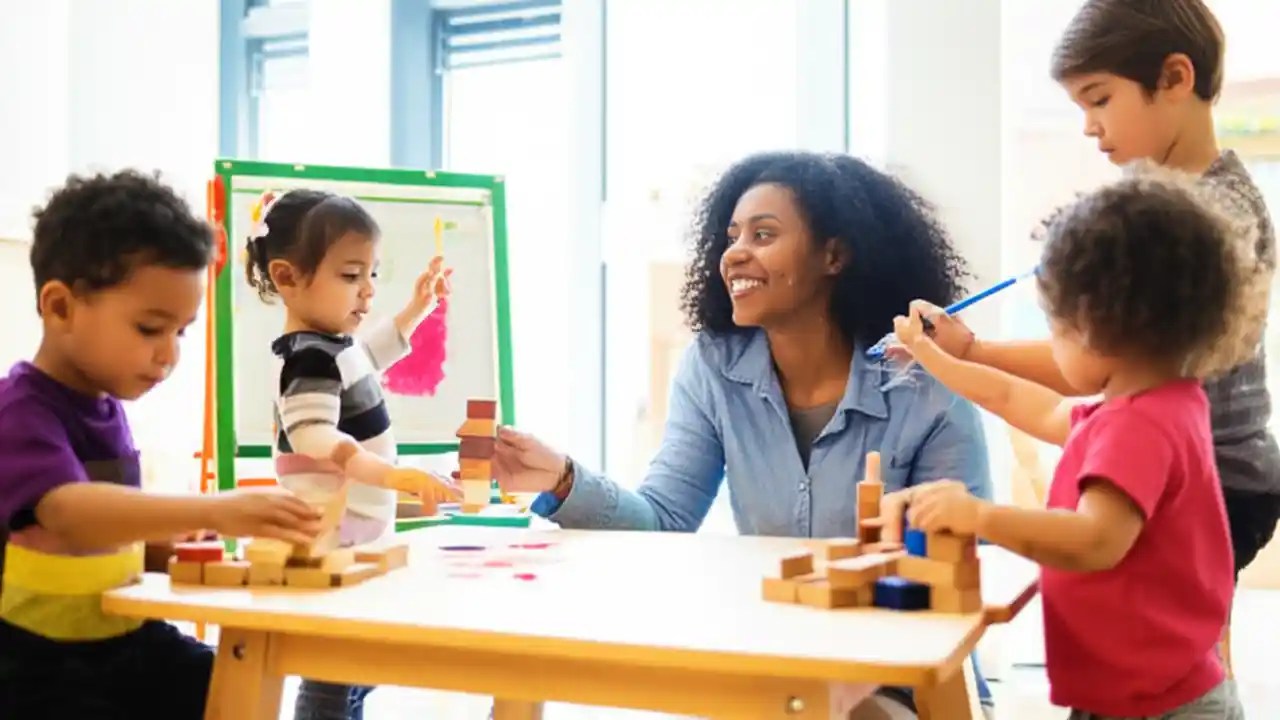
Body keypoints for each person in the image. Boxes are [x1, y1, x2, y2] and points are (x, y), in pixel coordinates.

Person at [494, 151, 994, 718]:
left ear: (834, 255)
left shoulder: (926, 379)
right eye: (732, 235)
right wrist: (562, 482)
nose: (735, 252)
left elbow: (968, 556)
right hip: (773, 670)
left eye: (763, 234)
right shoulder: (713, 368)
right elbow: (664, 519)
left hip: (898, 682)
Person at [911, 0, 1279, 584]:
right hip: (1184, 465)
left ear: (1176, 78)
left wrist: (975, 355)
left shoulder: (1209, 216)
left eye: (1100, 98)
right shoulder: (1154, 192)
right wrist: (970, 353)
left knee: (1168, 638)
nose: (1088, 125)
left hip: (1219, 480)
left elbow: (1108, 359)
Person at [887, 168, 1253, 719]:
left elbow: (1094, 539)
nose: (1052, 346)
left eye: (1053, 326)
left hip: (1155, 704)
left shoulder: (1140, 426)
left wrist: (979, 516)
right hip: (1147, 688)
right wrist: (940, 357)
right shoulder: (1161, 401)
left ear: (1098, 325)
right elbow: (1021, 401)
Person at [0, 170, 323, 720]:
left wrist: (177, 548)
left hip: (124, 638)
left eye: (181, 331)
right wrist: (218, 509)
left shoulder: (106, 410)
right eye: (150, 329)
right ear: (59, 307)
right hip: (36, 662)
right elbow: (68, 515)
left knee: (223, 681)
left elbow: (110, 542)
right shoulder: (20, 413)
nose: (169, 354)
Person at [244, 188, 460, 720]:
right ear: (287, 278)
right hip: (331, 533)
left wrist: (418, 308)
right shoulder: (308, 358)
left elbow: (372, 354)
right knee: (334, 671)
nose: (366, 292)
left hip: (354, 534)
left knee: (354, 667)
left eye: (372, 275)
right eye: (350, 276)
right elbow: (317, 436)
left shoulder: (335, 347)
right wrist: (392, 475)